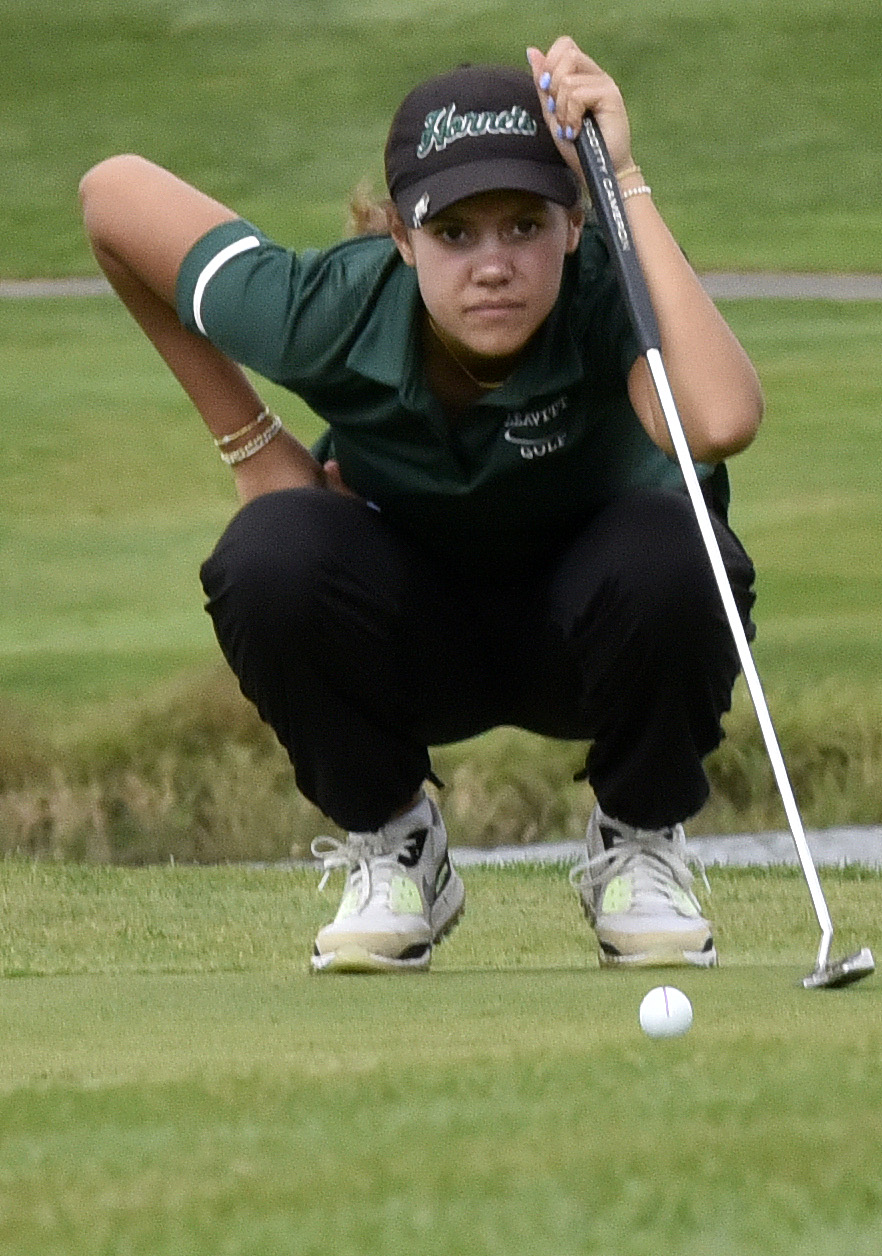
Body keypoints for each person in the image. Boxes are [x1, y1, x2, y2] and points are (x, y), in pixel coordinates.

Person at [78, 40, 763, 974]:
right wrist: (248, 443)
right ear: (400, 239)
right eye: (453, 234)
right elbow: (112, 197)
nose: (492, 265)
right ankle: (397, 845)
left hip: (595, 645)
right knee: (269, 553)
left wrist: (623, 178)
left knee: (679, 546)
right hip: (413, 646)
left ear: (573, 227)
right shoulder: (333, 309)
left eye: (525, 226)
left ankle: (638, 844)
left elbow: (720, 418)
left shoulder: (606, 295)